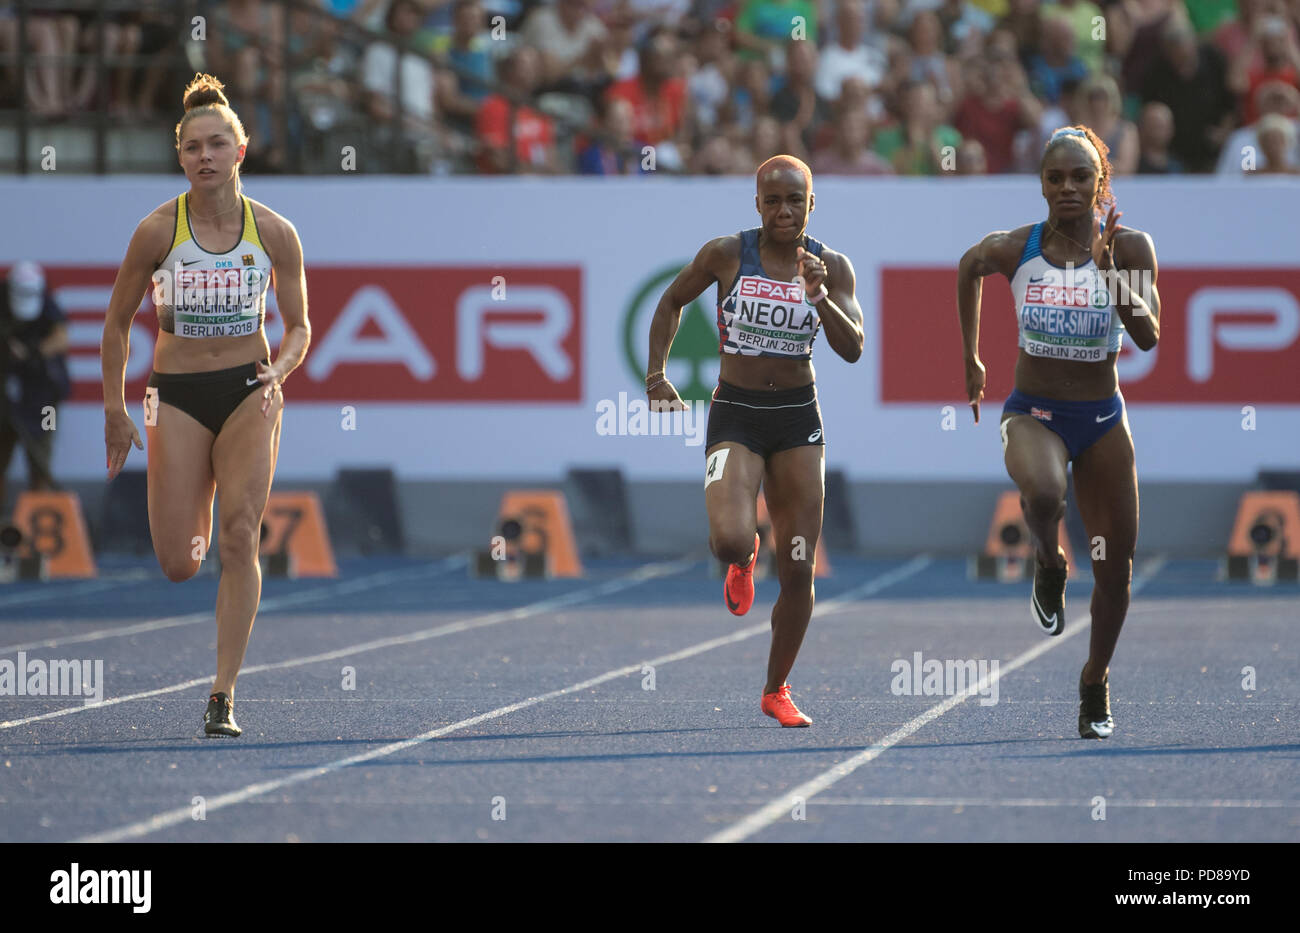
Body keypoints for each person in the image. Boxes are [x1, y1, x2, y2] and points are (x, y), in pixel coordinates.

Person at [100, 74, 311, 737]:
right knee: (179, 560)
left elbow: (300, 326)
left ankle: (222, 692)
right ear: (181, 155)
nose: (205, 157)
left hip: (251, 390)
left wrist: (278, 368)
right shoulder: (157, 231)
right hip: (177, 395)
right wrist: (114, 408)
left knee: (241, 533)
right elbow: (115, 325)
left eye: (218, 143)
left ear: (241, 151)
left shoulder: (274, 233)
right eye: (193, 147)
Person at [956, 125, 1160, 739]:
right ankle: (1049, 559)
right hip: (1033, 412)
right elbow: (968, 266)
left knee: (1116, 572)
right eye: (1055, 177)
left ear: (1102, 184)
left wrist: (1113, 276)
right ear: (1041, 183)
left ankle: (1094, 677)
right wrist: (971, 357)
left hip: (1101, 421)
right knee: (1044, 495)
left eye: (1080, 177)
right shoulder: (1016, 247)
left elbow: (1148, 336)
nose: (1068, 187)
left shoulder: (1130, 248)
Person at [645, 155, 864, 726]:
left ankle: (776, 688)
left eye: (796, 200)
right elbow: (671, 302)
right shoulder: (725, 254)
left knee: (797, 567)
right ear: (758, 205)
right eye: (773, 200)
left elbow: (854, 346)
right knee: (729, 539)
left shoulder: (833, 266)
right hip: (736, 414)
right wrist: (656, 374)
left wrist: (819, 297)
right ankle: (741, 561)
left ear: (812, 204)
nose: (784, 210)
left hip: (797, 421)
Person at [0, 262, 70, 512]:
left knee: (41, 460)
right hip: (6, 396)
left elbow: (61, 339)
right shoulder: (3, 301)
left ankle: (38, 525)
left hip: (43, 400)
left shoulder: (48, 305)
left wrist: (32, 353)